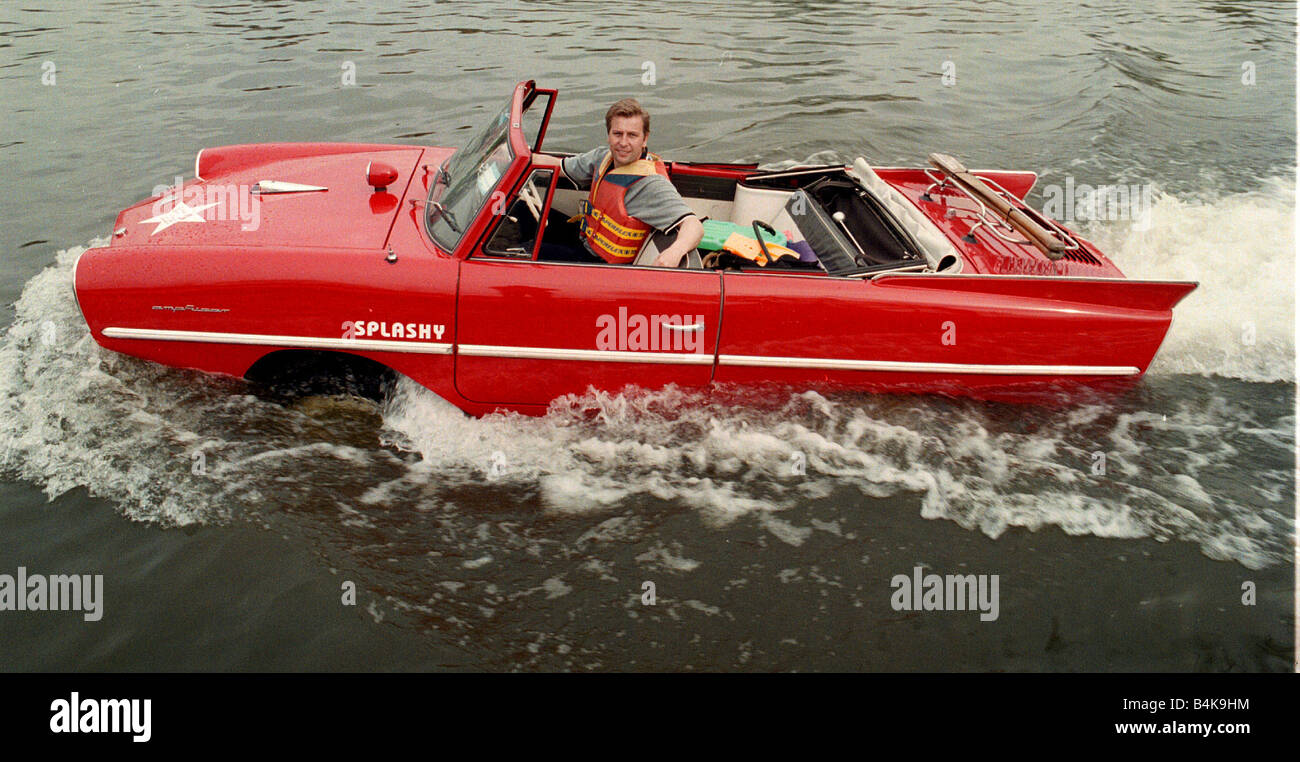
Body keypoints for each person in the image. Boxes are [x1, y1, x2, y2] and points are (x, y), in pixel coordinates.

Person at [560, 98, 704, 268]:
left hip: (599, 265)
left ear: (644, 139)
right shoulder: (603, 157)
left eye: (632, 135)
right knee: (524, 212)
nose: (623, 143)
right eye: (618, 134)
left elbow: (694, 225)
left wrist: (675, 252)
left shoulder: (651, 184)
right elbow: (559, 166)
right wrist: (527, 158)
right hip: (585, 240)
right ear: (609, 135)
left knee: (525, 252)